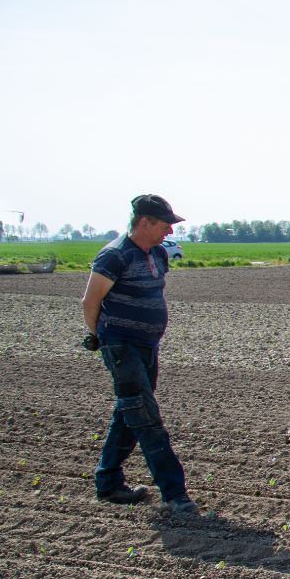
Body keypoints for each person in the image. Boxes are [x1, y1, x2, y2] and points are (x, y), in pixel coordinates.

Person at [81, 194, 196, 515]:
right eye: (165, 225)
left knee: (129, 413)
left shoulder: (158, 254)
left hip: (147, 347)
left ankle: (108, 483)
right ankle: (175, 494)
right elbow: (90, 303)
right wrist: (98, 338)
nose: (169, 233)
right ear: (143, 221)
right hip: (121, 347)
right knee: (146, 418)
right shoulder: (114, 256)